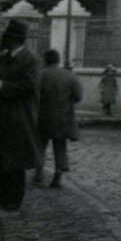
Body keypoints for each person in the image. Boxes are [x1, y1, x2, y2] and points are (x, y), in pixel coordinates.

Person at [0, 19, 43, 211]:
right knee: (2, 158)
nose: (3, 39)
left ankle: (14, 200)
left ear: (16, 39)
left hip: (19, 115)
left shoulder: (31, 60)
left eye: (7, 36)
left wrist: (2, 86)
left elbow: (30, 86)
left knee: (16, 159)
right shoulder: (3, 58)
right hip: (0, 114)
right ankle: (3, 198)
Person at [33, 49, 83, 189]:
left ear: (45, 60)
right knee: (60, 147)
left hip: (43, 116)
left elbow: (34, 95)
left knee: (40, 145)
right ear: (58, 60)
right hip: (63, 117)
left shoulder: (40, 74)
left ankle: (38, 174)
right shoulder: (70, 75)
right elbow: (78, 97)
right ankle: (58, 175)